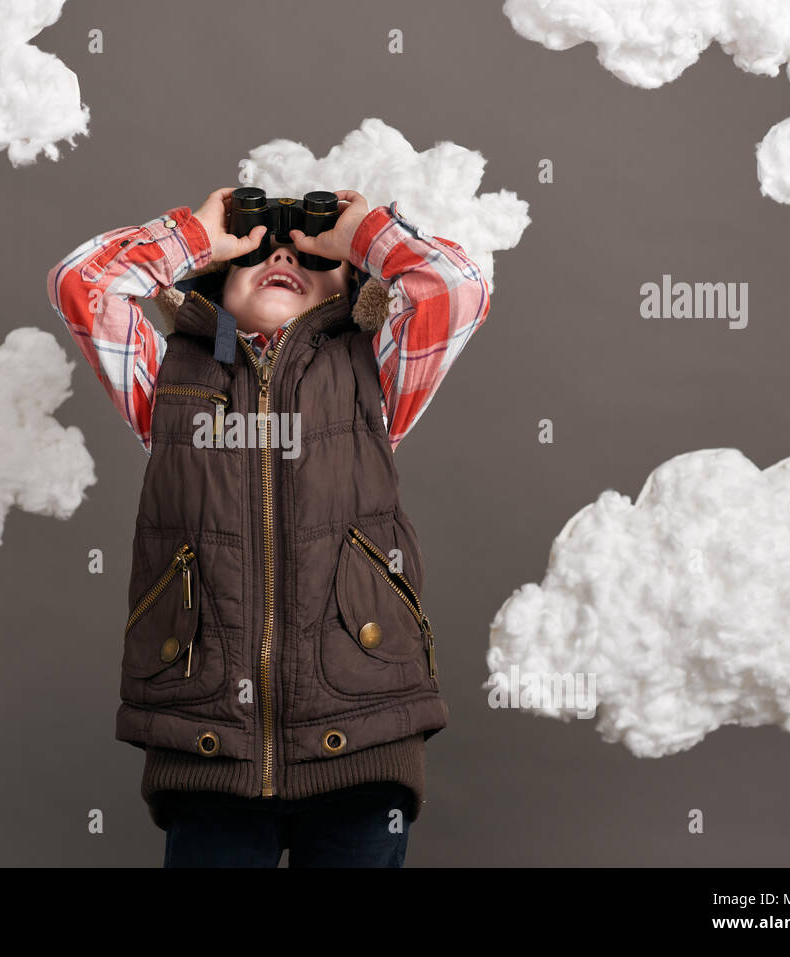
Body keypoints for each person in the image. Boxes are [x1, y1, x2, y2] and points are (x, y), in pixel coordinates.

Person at [46, 186, 491, 866]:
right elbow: (83, 284)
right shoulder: (170, 379)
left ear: (351, 288)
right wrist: (197, 233)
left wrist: (362, 232)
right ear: (214, 284)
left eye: (311, 254)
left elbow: (454, 287)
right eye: (259, 249)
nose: (283, 252)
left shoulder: (371, 374)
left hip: (361, 740)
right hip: (208, 743)